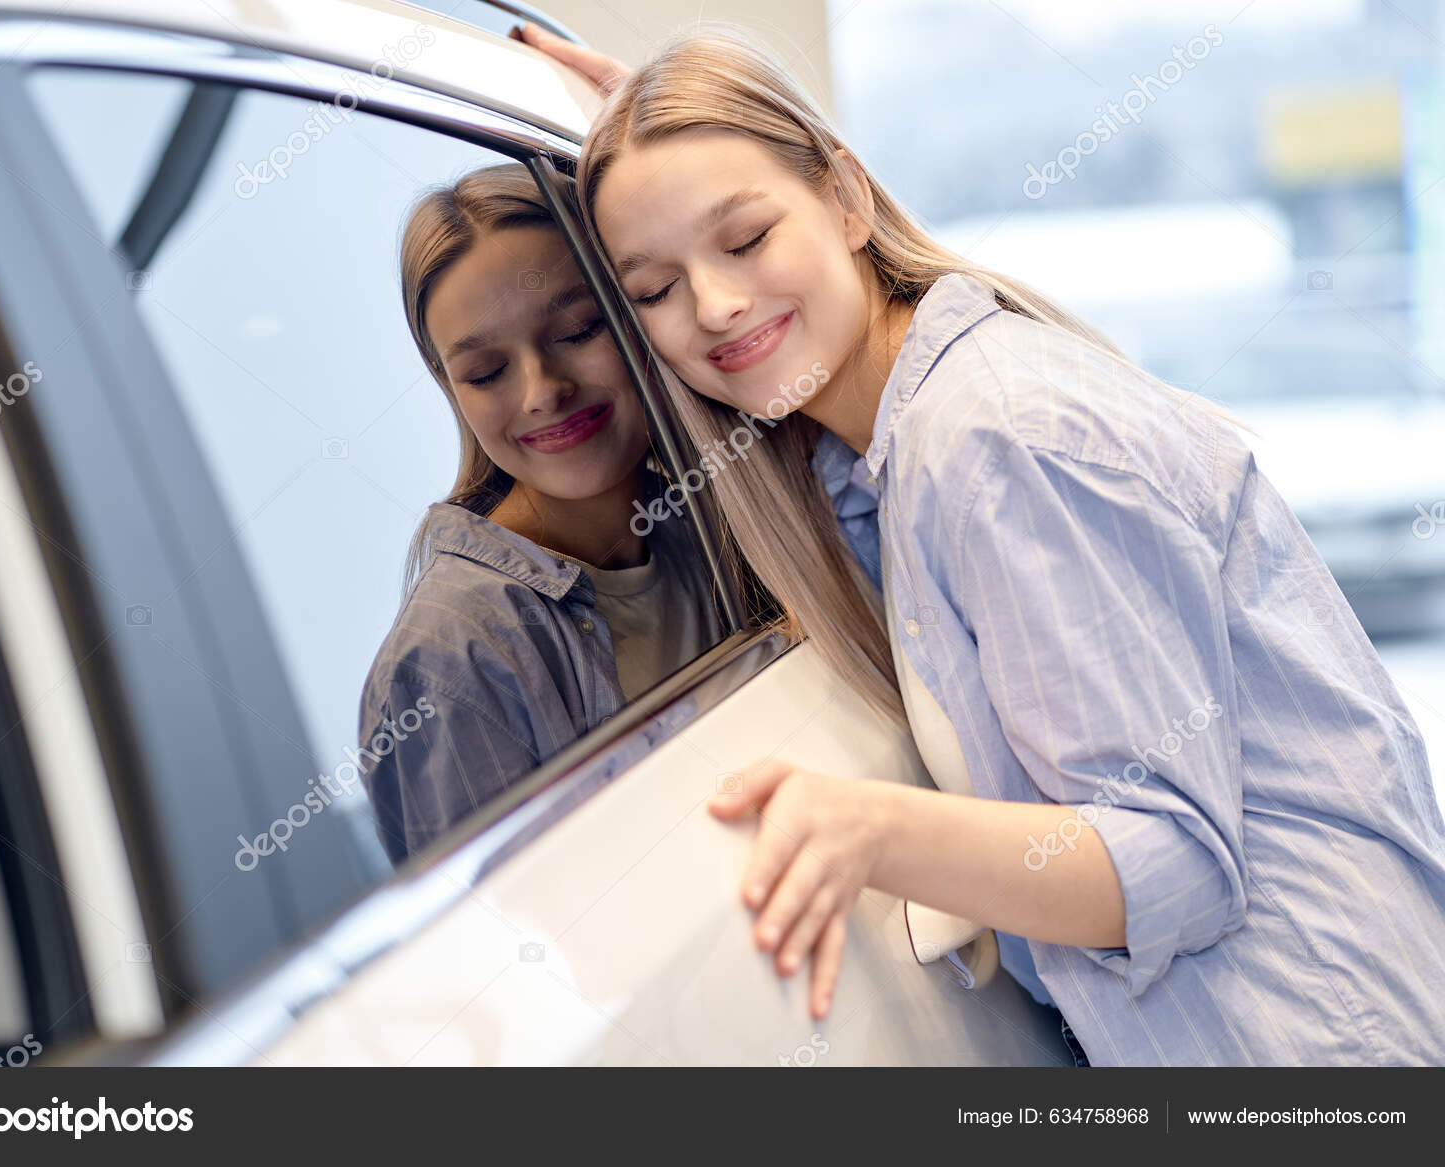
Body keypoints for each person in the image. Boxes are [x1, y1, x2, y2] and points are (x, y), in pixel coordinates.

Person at [562, 26, 1445, 1066]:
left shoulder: (994, 435)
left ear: (846, 198)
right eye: (655, 287)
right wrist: (652, 139)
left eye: (746, 237)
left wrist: (874, 834)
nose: (712, 304)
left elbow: (1177, 867)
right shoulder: (880, 462)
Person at [358, 163, 877, 865]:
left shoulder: (723, 518)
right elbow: (504, 957)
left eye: (578, 329)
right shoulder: (452, 661)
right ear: (450, 387)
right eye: (485, 373)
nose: (542, 391)